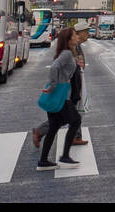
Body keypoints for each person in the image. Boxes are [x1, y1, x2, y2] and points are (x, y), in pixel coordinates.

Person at [35, 27, 83, 169]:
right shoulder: (67, 54)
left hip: (58, 95)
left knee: (54, 127)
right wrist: (54, 84)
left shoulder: (68, 54)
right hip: (61, 96)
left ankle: (43, 161)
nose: (77, 37)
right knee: (76, 121)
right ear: (69, 40)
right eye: (75, 35)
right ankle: (65, 157)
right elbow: (54, 67)